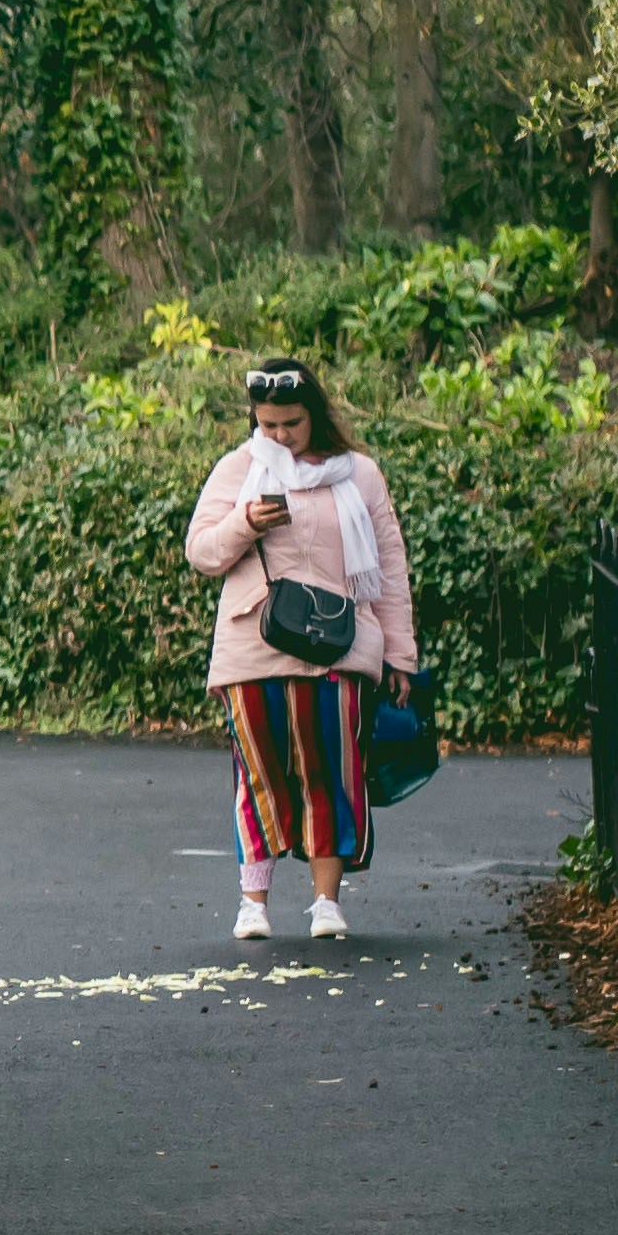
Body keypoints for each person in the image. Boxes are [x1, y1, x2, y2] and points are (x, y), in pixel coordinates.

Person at [185, 353, 420, 941]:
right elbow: (202, 552)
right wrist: (245, 523)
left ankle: (325, 903)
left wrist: (401, 655)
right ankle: (253, 903)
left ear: (314, 414)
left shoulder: (358, 473)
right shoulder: (238, 470)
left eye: (292, 423)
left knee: (331, 770)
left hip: (340, 644)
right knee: (259, 772)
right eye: (269, 425)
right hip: (253, 642)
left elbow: (389, 564)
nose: (282, 436)